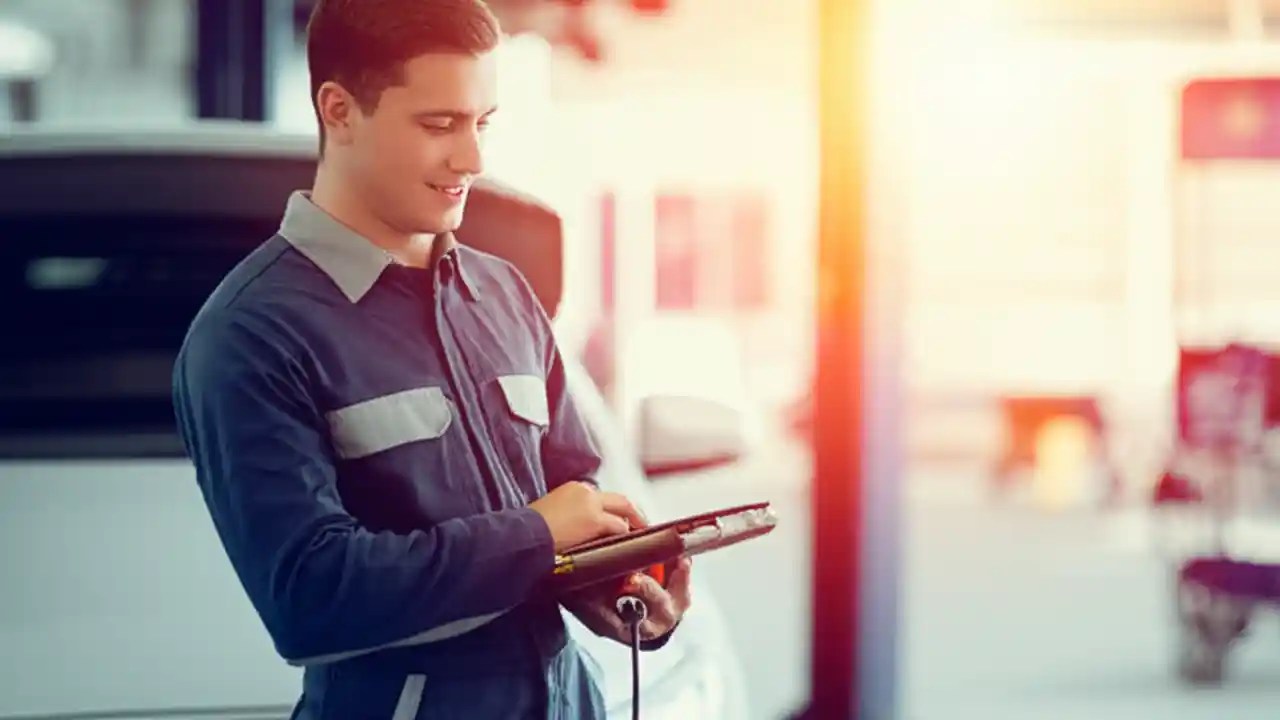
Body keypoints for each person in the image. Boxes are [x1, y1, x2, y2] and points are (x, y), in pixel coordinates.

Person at [170, 1, 691, 717]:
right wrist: (537, 535)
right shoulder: (252, 334)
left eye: (482, 123)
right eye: (439, 125)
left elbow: (574, 502)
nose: (472, 159)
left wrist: (624, 589)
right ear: (339, 111)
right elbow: (310, 598)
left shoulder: (504, 292)